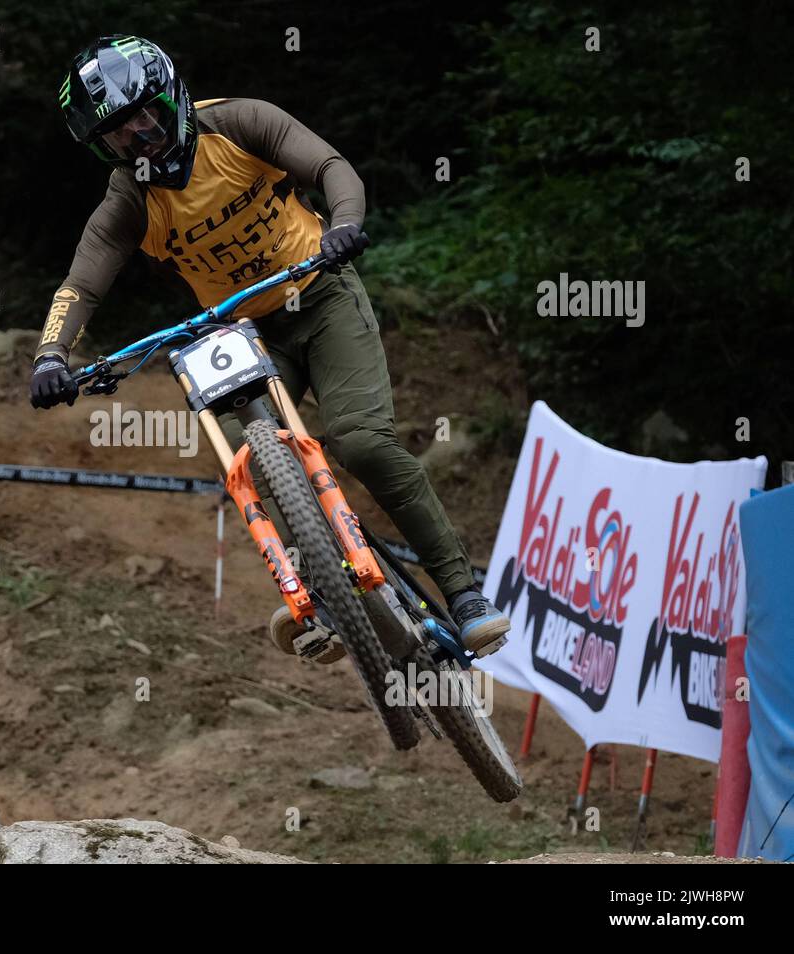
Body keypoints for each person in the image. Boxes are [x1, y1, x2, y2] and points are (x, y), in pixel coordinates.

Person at [30, 35, 509, 656]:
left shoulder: (238, 122)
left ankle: (462, 589)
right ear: (103, 147)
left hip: (321, 293)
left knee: (359, 439)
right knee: (258, 459)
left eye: (144, 114)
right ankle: (326, 595)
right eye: (119, 133)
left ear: (171, 96)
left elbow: (334, 169)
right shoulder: (128, 200)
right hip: (241, 332)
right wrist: (49, 356)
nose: (139, 136)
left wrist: (342, 227)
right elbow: (81, 284)